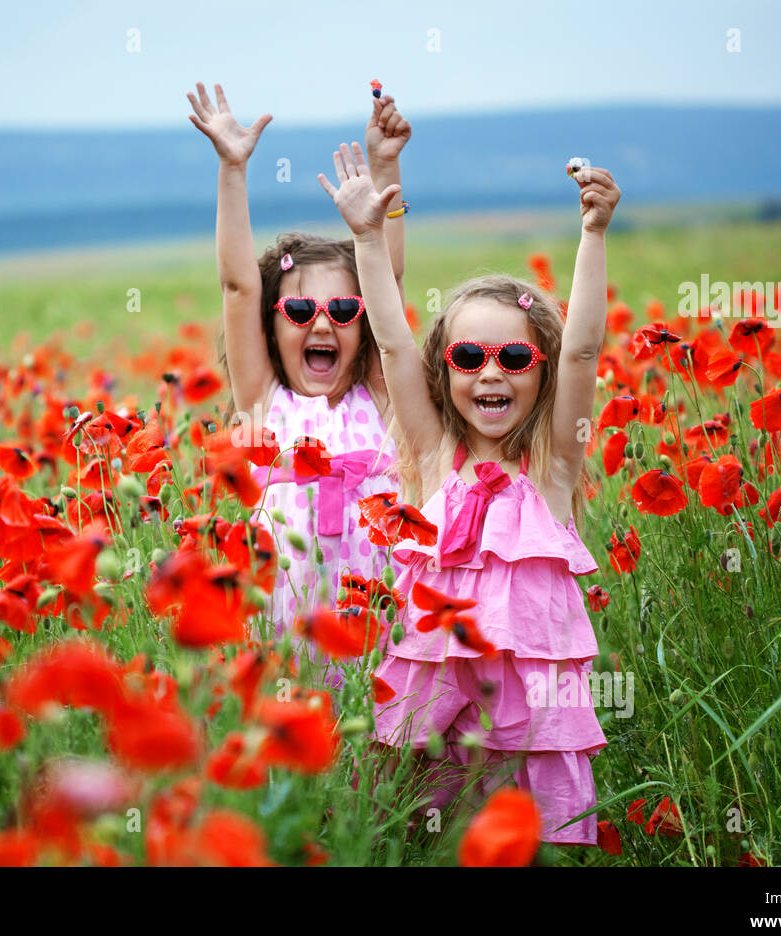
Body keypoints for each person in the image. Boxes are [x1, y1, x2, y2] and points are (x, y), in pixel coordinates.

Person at [318, 140, 621, 844]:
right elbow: (391, 345)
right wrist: (366, 236)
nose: (492, 373)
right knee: (431, 836)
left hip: (530, 726)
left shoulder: (551, 473)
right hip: (437, 712)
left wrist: (593, 233)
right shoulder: (432, 458)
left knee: (526, 839)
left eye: (515, 357)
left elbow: (581, 349)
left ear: (539, 373)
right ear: (444, 370)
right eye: (468, 357)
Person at [186, 82, 411, 678]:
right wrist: (232, 170)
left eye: (343, 312)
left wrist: (386, 167)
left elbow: (387, 280)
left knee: (379, 751)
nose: (322, 324)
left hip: (379, 628)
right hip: (287, 637)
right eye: (300, 312)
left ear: (364, 326)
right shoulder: (263, 403)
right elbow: (238, 286)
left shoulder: (382, 397)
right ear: (272, 325)